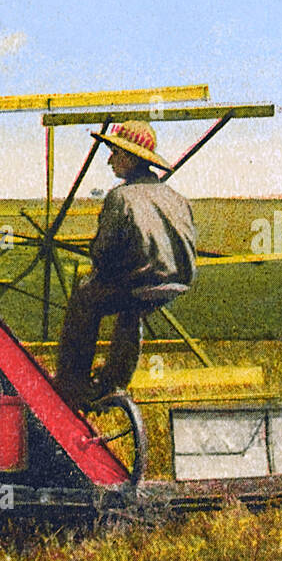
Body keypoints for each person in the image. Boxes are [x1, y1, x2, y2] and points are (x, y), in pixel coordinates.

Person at [53, 121, 197, 409]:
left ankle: (72, 384)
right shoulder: (176, 198)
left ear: (130, 159)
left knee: (85, 298)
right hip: (177, 281)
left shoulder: (120, 197)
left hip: (140, 281)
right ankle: (115, 380)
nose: (109, 160)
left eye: (114, 153)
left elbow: (103, 253)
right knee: (131, 311)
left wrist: (98, 270)